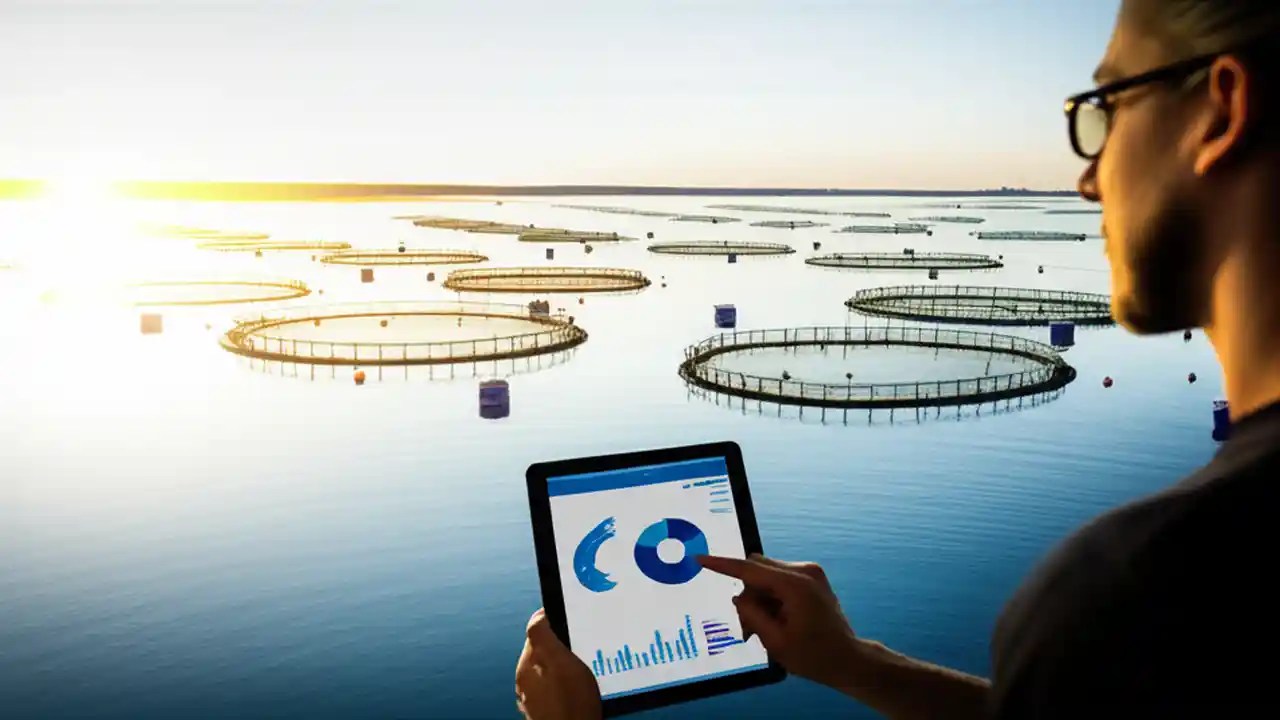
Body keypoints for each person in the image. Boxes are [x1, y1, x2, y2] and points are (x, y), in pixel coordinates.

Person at [515, 0, 1280, 716]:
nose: (1086, 179)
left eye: (1106, 111)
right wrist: (853, 663)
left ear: (1220, 108)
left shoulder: (1134, 603)